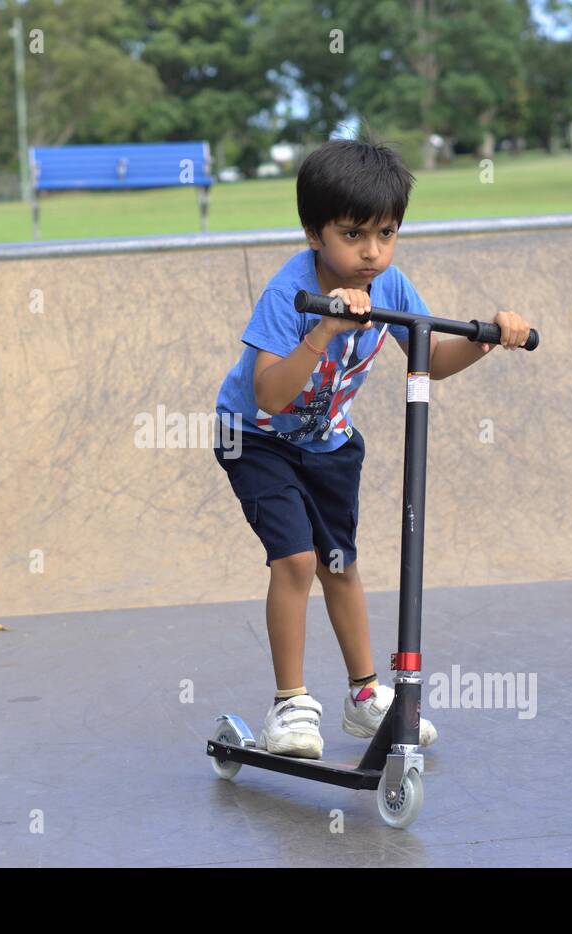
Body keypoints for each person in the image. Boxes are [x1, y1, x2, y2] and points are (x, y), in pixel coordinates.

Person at [213, 137, 530, 758]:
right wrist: (326, 327)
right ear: (313, 232)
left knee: (339, 564)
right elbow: (271, 395)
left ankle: (364, 698)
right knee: (297, 561)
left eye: (386, 234)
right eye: (354, 234)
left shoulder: (392, 285)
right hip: (253, 438)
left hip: (329, 444)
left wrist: (489, 338)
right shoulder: (289, 294)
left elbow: (432, 357)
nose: (372, 252)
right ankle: (291, 707)